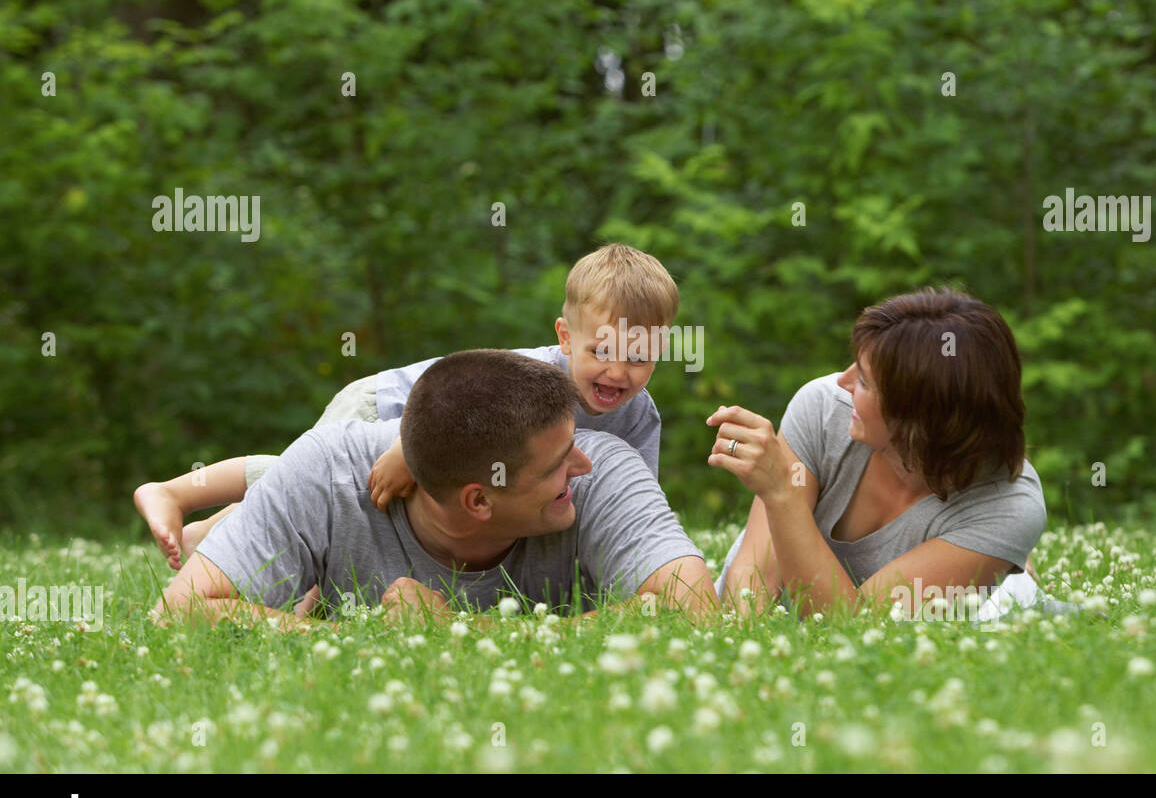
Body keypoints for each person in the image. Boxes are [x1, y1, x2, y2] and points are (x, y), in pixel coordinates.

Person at [133, 242, 677, 570]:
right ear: (564, 336)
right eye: (602, 350)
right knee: (325, 486)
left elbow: (630, 499)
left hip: (426, 425)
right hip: (390, 408)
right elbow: (453, 403)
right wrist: (405, 451)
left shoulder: (639, 415)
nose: (619, 372)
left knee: (325, 497)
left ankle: (214, 533)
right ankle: (174, 491)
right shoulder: (528, 379)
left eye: (640, 357)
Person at [153, 350, 717, 625]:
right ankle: (214, 519)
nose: (582, 466)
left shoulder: (604, 465)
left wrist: (463, 635)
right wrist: (367, 638)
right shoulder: (325, 469)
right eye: (555, 467)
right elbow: (179, 612)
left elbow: (692, 609)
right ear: (479, 499)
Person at [706, 286, 1049, 620]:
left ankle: (1011, 578)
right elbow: (751, 583)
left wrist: (782, 495)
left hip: (932, 633)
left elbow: (856, 627)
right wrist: (743, 631)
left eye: (866, 382)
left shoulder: (1007, 508)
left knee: (1007, 607)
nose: (843, 381)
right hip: (790, 630)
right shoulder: (824, 409)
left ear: (918, 418)